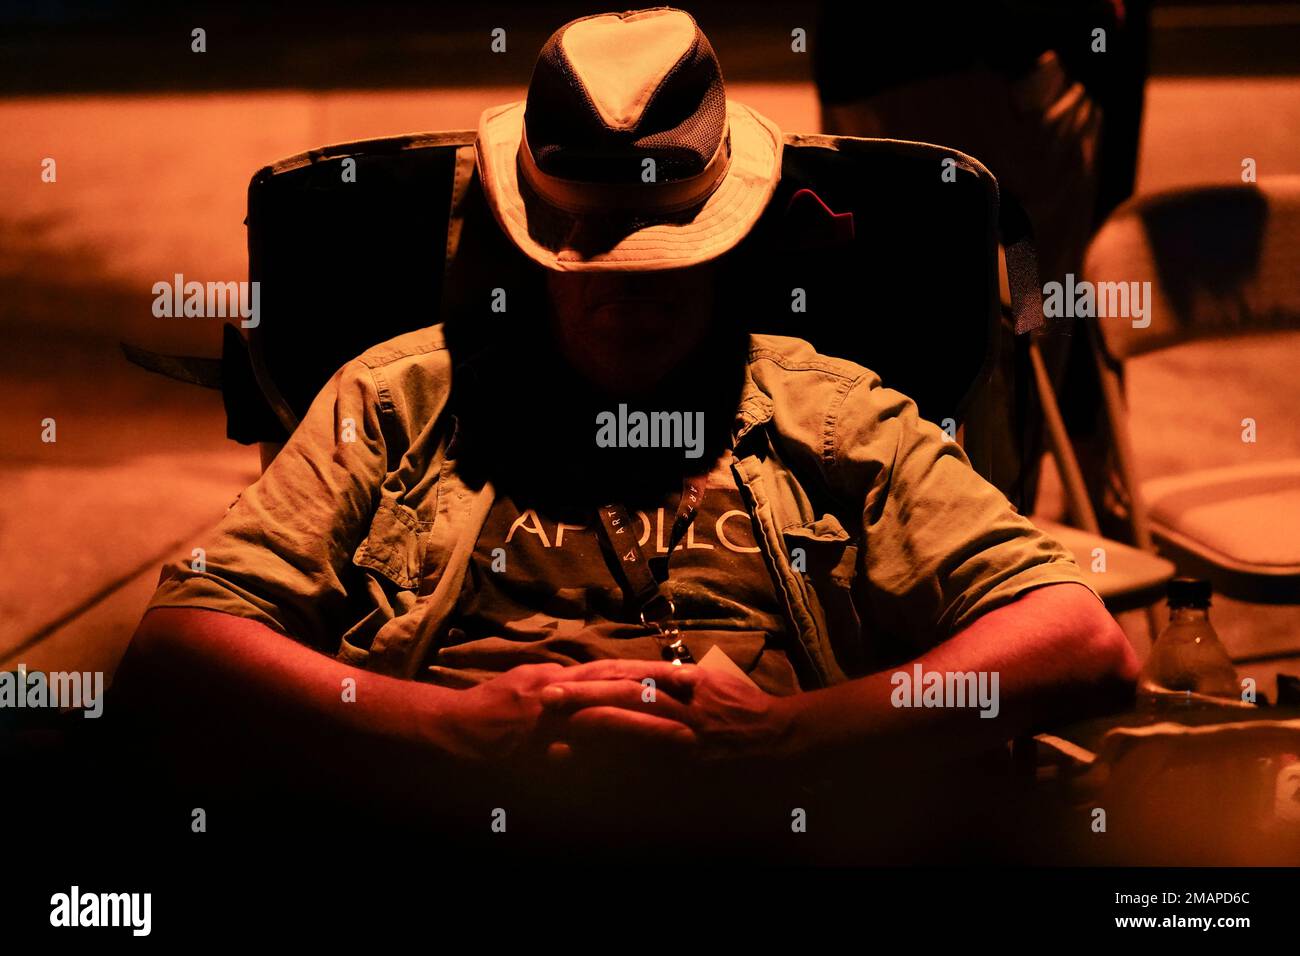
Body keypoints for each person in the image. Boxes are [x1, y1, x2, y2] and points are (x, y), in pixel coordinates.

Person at [118, 8, 1136, 842]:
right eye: (594, 261)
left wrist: (787, 739)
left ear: (730, 243)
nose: (630, 295)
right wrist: (454, 730)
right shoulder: (399, 398)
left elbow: (1074, 639)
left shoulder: (826, 411)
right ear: (530, 244)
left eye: (667, 258)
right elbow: (181, 645)